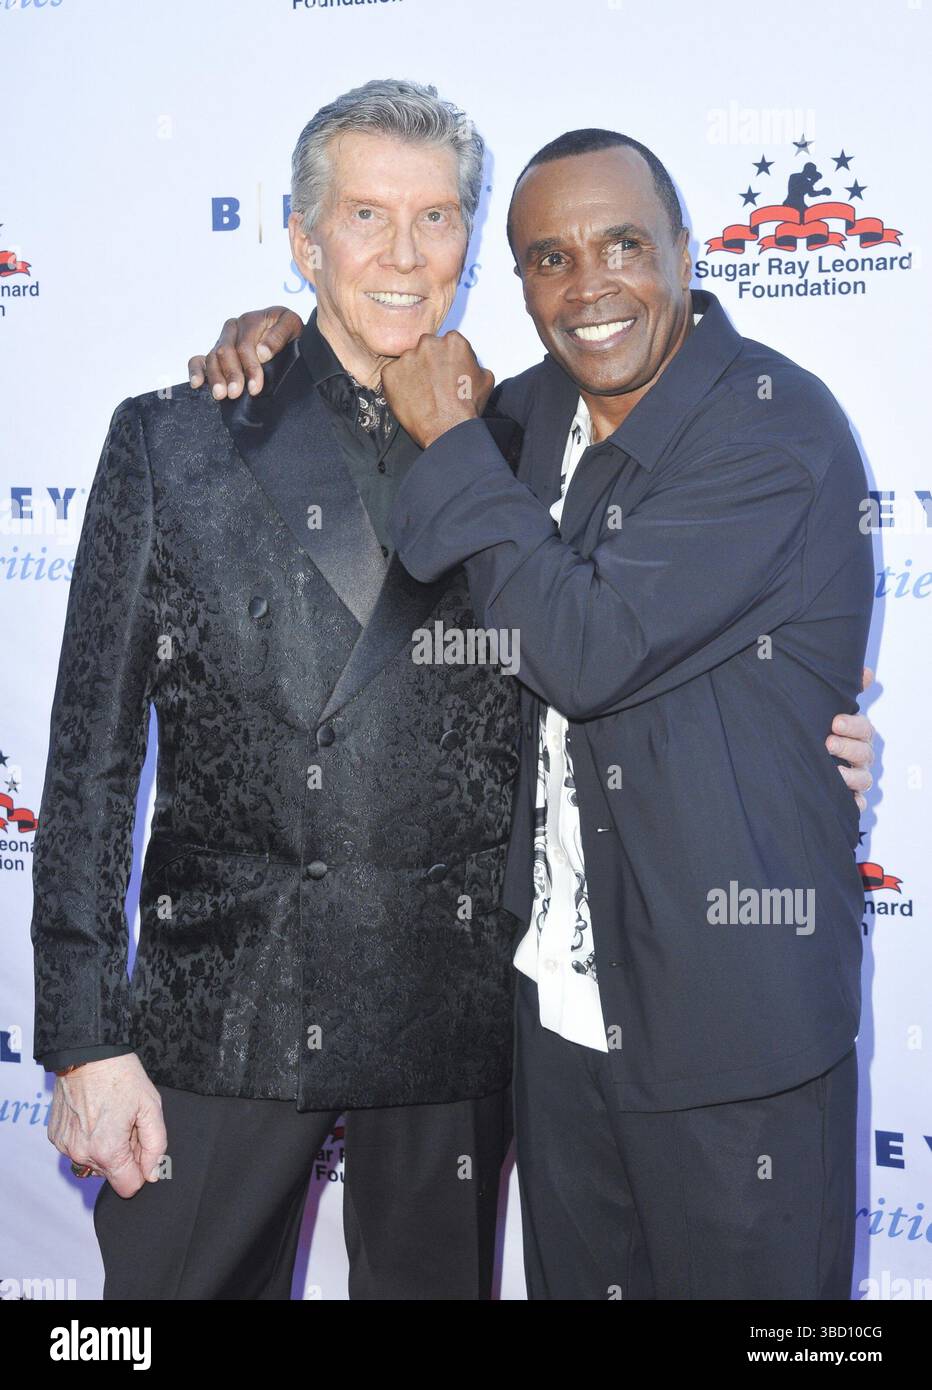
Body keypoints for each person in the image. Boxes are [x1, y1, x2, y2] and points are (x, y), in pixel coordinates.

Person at [203, 128, 877, 1300]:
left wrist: (452, 437)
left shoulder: (774, 426)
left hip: (731, 1026)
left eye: (622, 243)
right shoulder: (531, 415)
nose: (589, 284)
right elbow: (414, 530)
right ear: (516, 282)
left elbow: (583, 648)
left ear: (685, 248)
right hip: (556, 1021)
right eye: (548, 258)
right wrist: (282, 346)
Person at [31, 79, 523, 1302]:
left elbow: (607, 660)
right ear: (303, 240)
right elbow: (90, 761)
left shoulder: (517, 444)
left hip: (450, 1011)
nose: (405, 257)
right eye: (364, 217)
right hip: (227, 1003)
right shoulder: (173, 438)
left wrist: (789, 736)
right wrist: (87, 1037)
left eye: (438, 218)